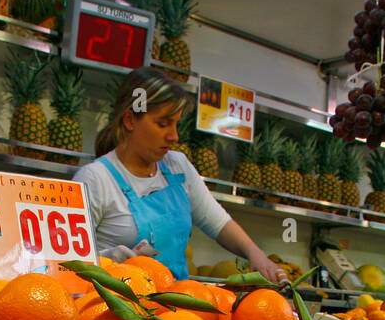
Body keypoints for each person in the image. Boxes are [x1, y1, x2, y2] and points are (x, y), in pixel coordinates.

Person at [75, 67, 285, 283]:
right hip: (117, 309)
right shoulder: (95, 179)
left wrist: (256, 255)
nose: (174, 135)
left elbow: (218, 222)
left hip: (176, 309)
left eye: (176, 123)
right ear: (130, 120)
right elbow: (67, 265)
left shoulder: (177, 166)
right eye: (163, 124)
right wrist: (109, 261)